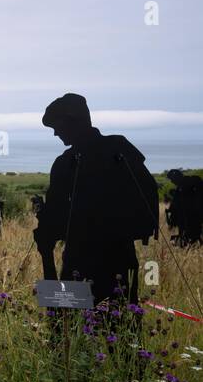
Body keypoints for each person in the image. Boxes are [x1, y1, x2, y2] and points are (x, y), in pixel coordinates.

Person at [34, 93, 158, 303]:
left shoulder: (66, 163)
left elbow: (55, 216)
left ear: (73, 122)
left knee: (73, 322)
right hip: (121, 257)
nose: (55, 133)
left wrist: (46, 239)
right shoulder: (119, 149)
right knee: (122, 321)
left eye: (57, 125)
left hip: (81, 259)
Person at [165, 170, 202, 247]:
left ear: (177, 177)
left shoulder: (187, 185)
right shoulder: (181, 187)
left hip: (192, 217)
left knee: (192, 236)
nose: (172, 181)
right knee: (189, 237)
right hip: (186, 218)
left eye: (172, 179)